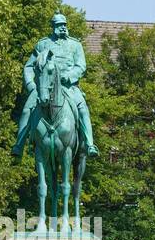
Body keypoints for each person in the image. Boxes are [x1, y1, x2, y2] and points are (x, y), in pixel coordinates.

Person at [11, 13, 99, 159]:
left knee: (83, 109)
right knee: (27, 110)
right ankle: (19, 145)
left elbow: (81, 66)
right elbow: (28, 67)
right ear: (53, 26)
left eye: (64, 25)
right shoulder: (42, 44)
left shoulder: (75, 44)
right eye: (59, 25)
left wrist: (70, 76)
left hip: (68, 86)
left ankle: (90, 144)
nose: (63, 28)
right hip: (44, 87)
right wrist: (31, 85)